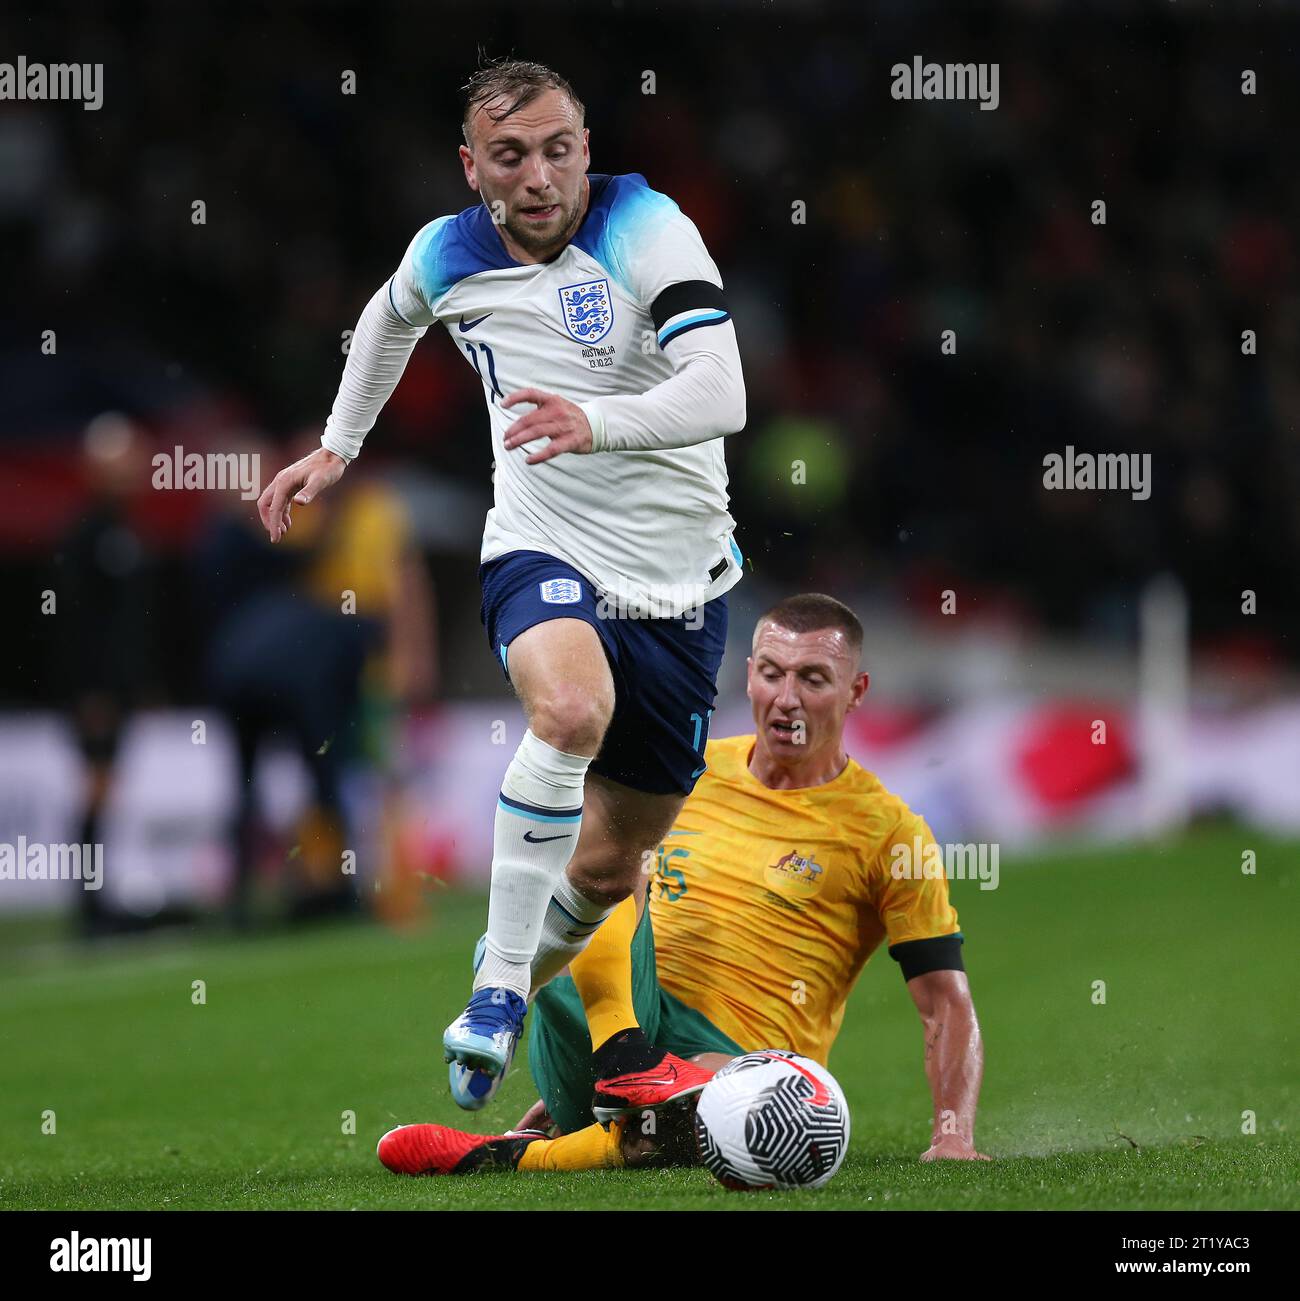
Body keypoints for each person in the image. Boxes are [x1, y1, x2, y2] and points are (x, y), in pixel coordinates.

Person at [256, 58, 747, 1111]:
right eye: (511, 155)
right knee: (568, 711)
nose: (538, 176)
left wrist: (595, 419)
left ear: (585, 146)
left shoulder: (645, 228)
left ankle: (511, 966)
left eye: (557, 148)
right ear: (472, 164)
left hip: (679, 584)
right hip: (541, 542)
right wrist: (338, 448)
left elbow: (722, 388)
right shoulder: (445, 250)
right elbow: (388, 318)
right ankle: (490, 990)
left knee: (612, 867)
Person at [377, 594, 990, 1176]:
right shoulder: (689, 770)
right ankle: (617, 1063)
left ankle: (527, 1150)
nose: (787, 699)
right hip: (617, 1019)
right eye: (772, 674)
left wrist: (953, 1134)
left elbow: (943, 1000)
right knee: (612, 842)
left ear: (856, 691)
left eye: (813, 679)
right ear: (747, 675)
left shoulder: (889, 832)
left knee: (722, 1106)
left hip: (739, 1064)